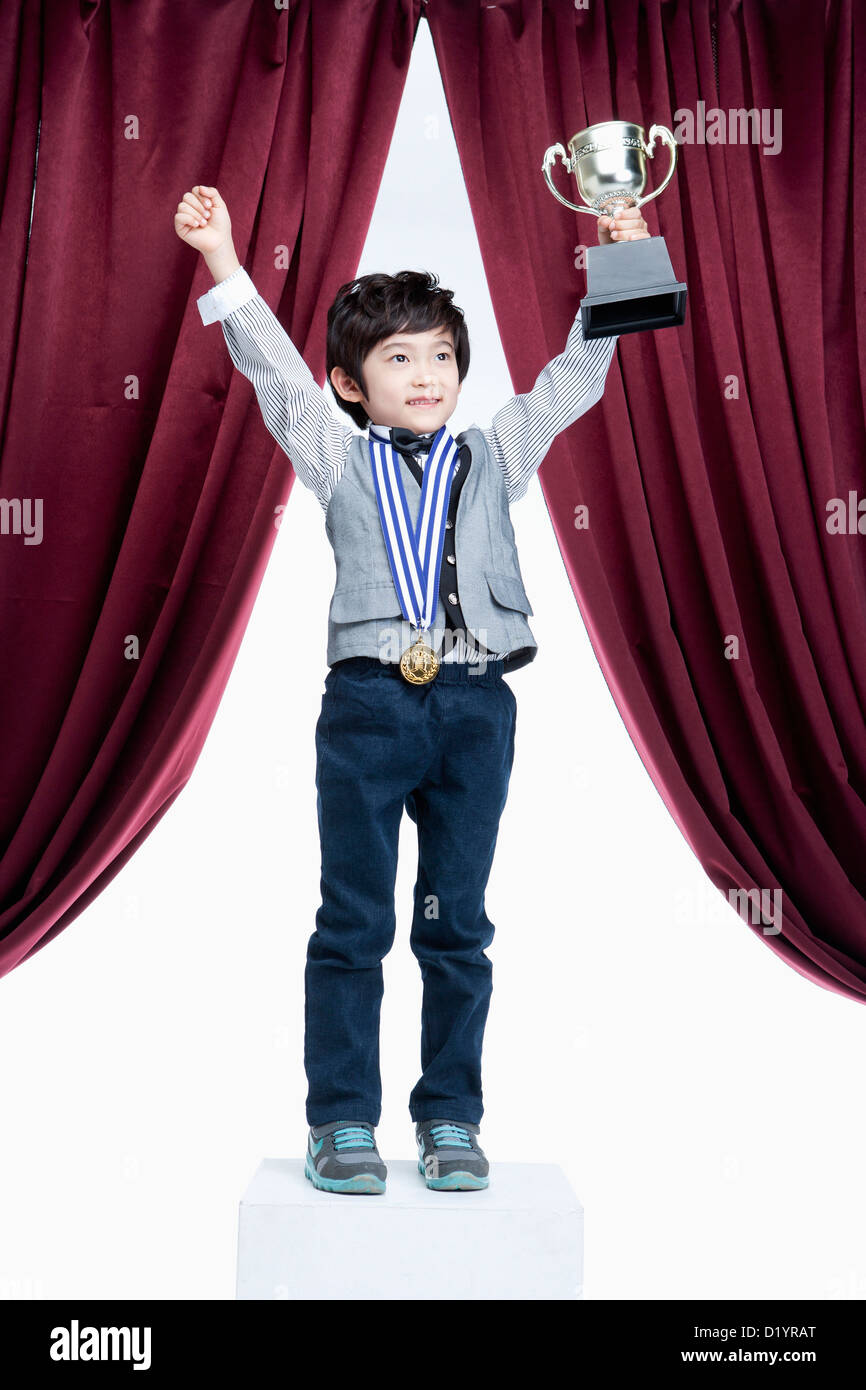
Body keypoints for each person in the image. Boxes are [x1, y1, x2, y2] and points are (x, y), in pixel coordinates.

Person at [175, 183, 648, 1194]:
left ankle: (448, 1117)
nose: (424, 372)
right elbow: (268, 368)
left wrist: (621, 257)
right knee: (352, 918)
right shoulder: (333, 452)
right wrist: (220, 256)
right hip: (368, 708)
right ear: (351, 384)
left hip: (475, 708)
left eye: (439, 354)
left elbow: (571, 380)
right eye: (397, 357)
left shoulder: (493, 454)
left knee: (457, 923)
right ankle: (341, 1119)